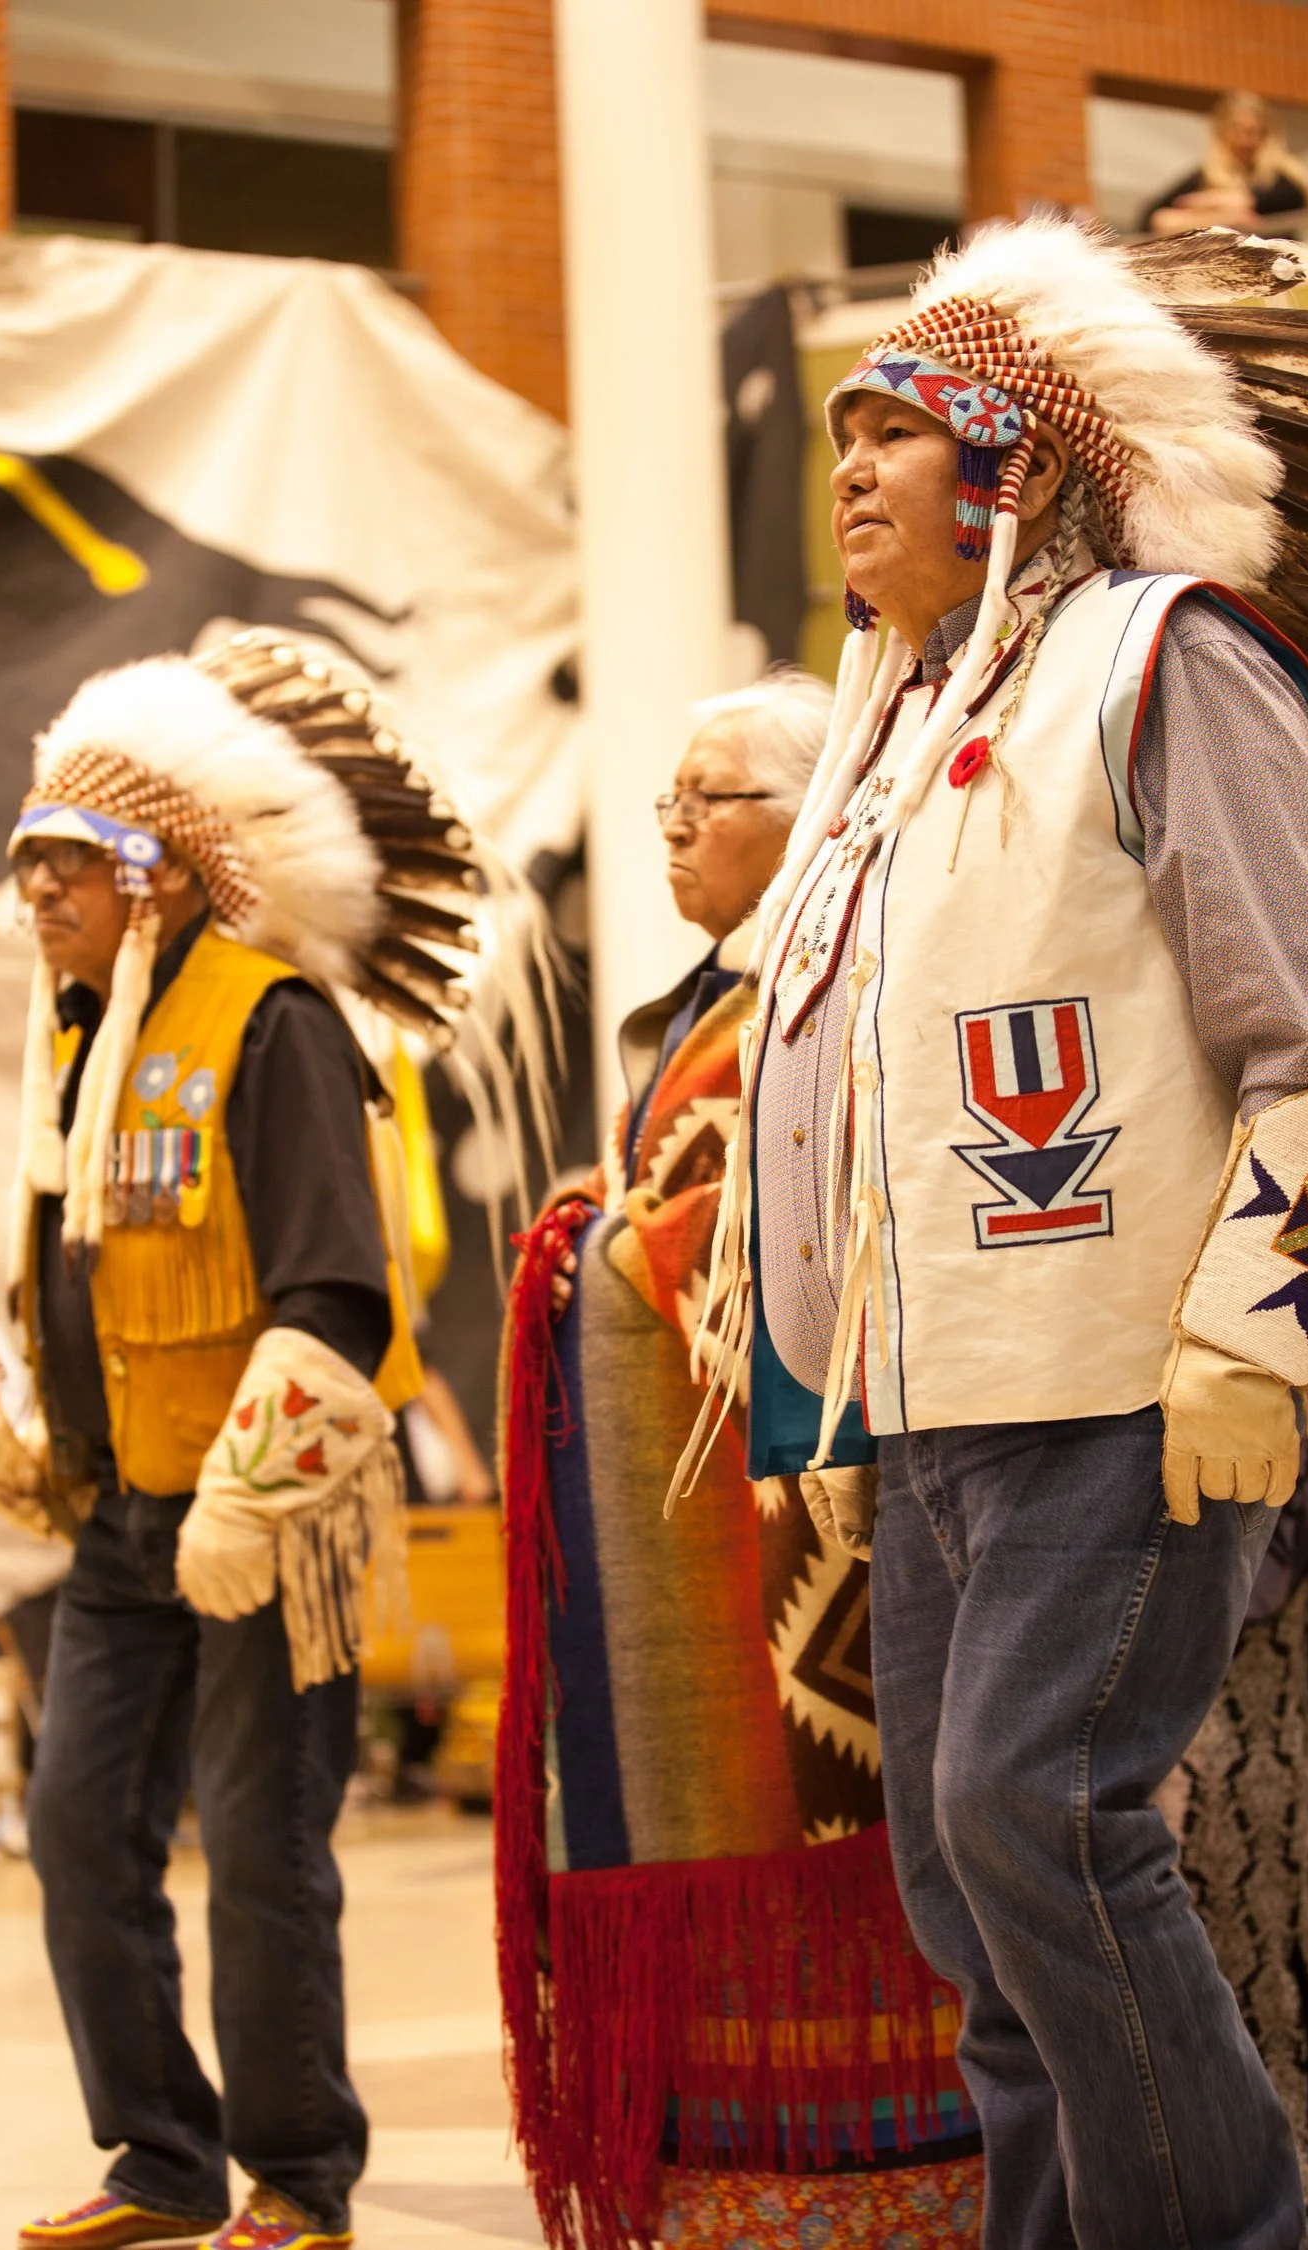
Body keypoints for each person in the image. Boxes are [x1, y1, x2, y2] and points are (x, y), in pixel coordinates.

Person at [675, 217, 1308, 2248]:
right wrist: (839, 1388)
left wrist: (1253, 1344)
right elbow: (861, 1099)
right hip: (943, 1409)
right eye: (836, 439)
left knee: (1038, 1816)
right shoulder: (894, 744)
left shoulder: (1166, 661)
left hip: (1123, 1384)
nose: (850, 474)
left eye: (892, 432)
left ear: (1015, 461)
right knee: (969, 1887)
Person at [0, 632, 542, 2250]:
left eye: (70, 861)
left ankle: (298, 2174)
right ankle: (159, 2156)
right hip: (124, 1518)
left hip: (267, 1520)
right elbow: (88, 1267)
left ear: (157, 873)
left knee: (261, 1848)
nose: (38, 890)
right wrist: (42, 1422)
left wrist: (247, 1494)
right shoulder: (83, 1037)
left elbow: (336, 1291)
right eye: (27, 862)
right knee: (79, 1827)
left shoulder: (274, 1022)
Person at [496, 671, 990, 2249]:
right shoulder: (714, 999)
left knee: (858, 1804)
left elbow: (790, 1216)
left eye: (713, 798)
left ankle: (892, 2178)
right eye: (670, 797)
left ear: (817, 809)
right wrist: (610, 1227)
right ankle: (746, 2171)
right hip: (722, 1523)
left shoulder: (840, 980)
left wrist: (605, 1245)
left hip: (824, 1514)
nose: (673, 824)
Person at [1140, 91, 1308, 236]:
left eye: (1253, 132)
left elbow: (1292, 202)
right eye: (1237, 131)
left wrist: (1221, 203)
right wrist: (1224, 214)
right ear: (1222, 132)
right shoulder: (1203, 176)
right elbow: (1153, 219)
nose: (1245, 141)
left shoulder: (1284, 179)